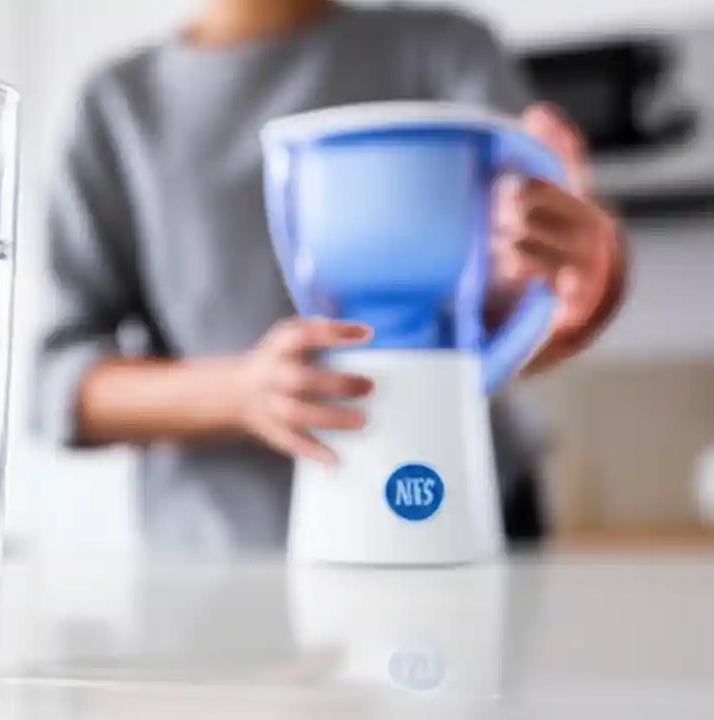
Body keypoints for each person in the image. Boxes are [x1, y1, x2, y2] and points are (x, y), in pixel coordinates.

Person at [34, 0, 627, 557]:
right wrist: (243, 392)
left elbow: (538, 292)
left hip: (473, 515)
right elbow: (58, 385)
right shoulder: (118, 106)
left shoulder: (443, 49)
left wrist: (587, 275)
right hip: (219, 566)